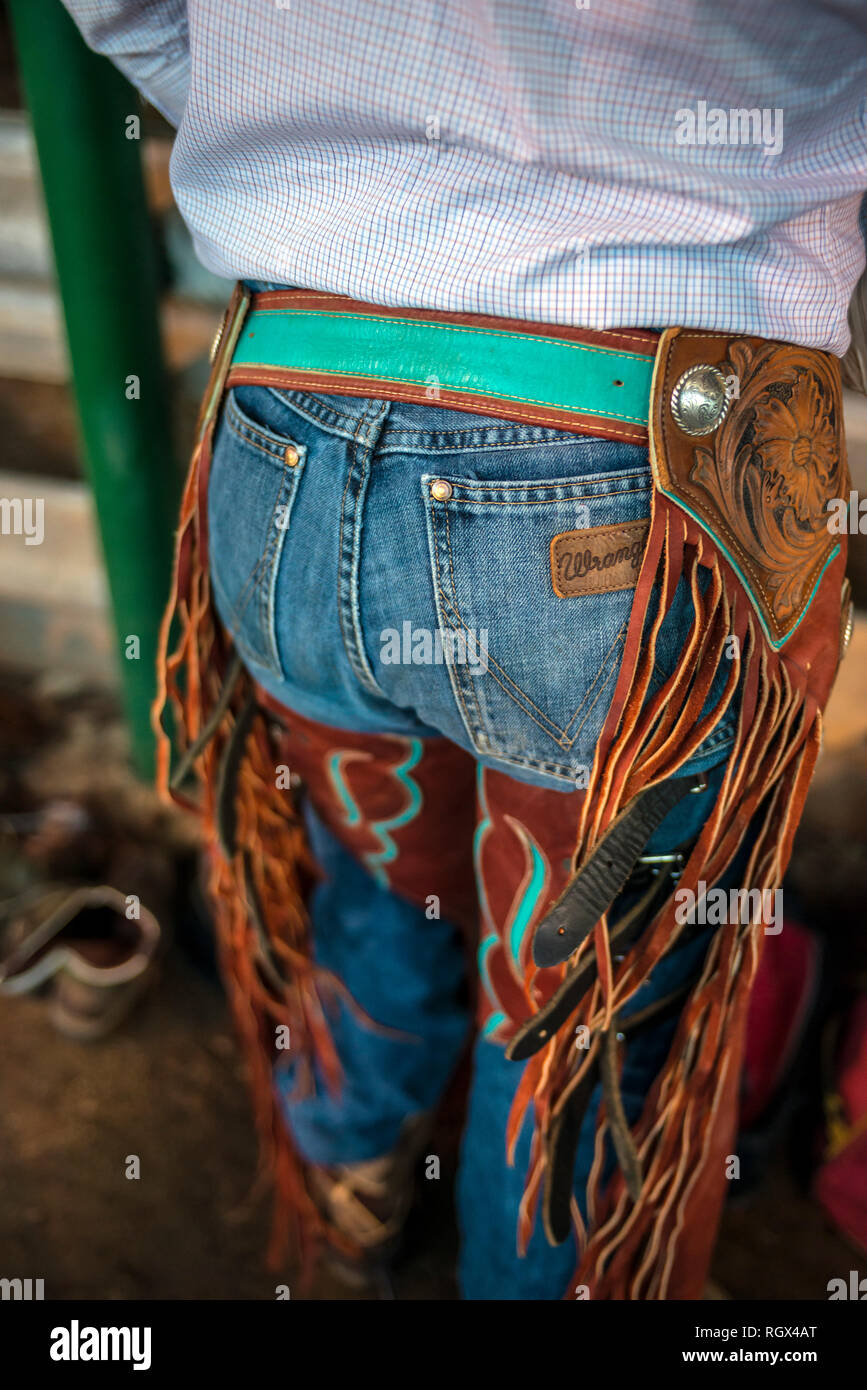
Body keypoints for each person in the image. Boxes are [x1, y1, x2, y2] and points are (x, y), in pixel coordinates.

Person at [61, 0, 866, 1300]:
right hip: (642, 444)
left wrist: (304, 129)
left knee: (375, 883)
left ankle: (349, 1210)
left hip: (291, 414)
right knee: (582, 1007)